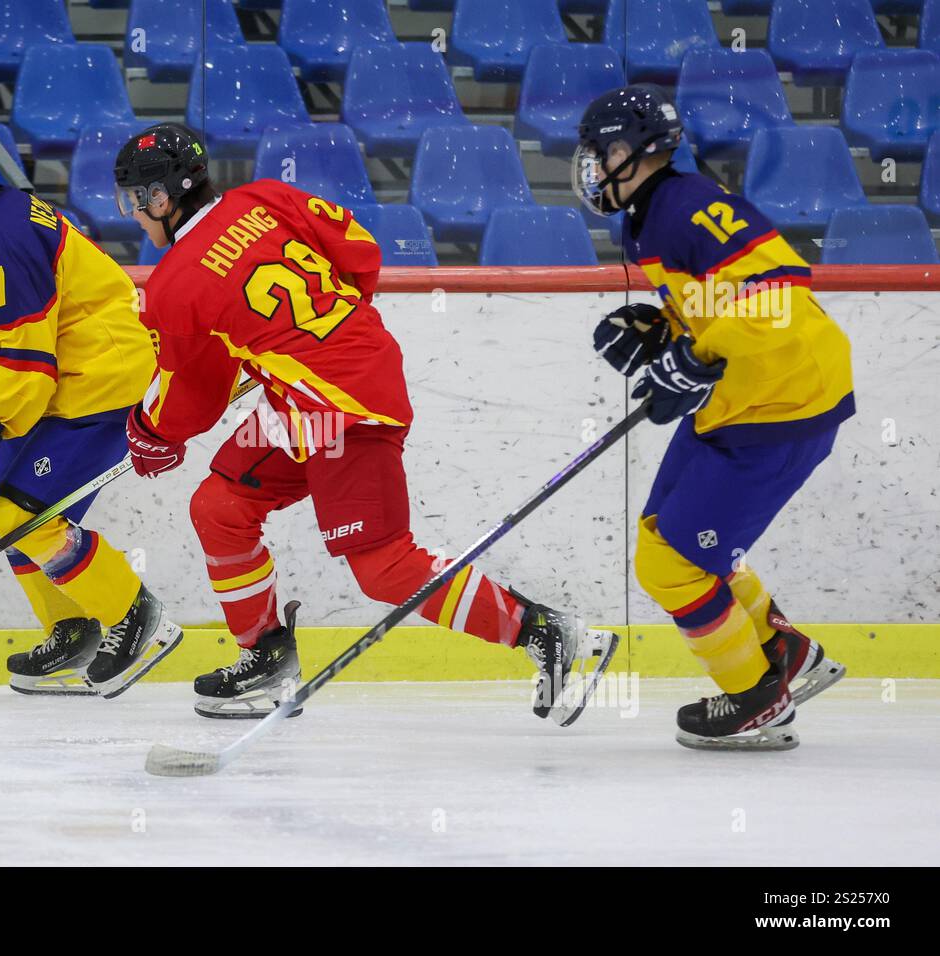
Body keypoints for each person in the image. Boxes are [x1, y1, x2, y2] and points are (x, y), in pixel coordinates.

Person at [111, 123, 616, 720]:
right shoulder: (266, 198)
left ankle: (544, 632)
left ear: (162, 198)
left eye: (133, 201)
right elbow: (360, 251)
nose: (133, 216)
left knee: (382, 566)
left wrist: (152, 434)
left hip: (344, 409)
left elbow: (192, 395)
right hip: (312, 402)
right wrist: (305, 342)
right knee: (219, 507)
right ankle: (266, 655)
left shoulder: (174, 283)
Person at [573, 85, 851, 750]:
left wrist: (693, 356)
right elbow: (727, 301)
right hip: (747, 400)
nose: (590, 166)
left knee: (674, 566)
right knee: (661, 538)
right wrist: (667, 327)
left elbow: (778, 296)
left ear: (632, 151)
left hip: (783, 404)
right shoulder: (654, 213)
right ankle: (787, 657)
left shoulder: (685, 204)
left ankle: (756, 699)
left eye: (601, 150)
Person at [0, 114, 182, 698]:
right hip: (86, 366)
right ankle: (70, 630)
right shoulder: (3, 218)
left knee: (18, 506)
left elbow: (29, 360)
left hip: (106, 378)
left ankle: (134, 617)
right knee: (9, 488)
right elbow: (41, 316)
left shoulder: (1, 237)